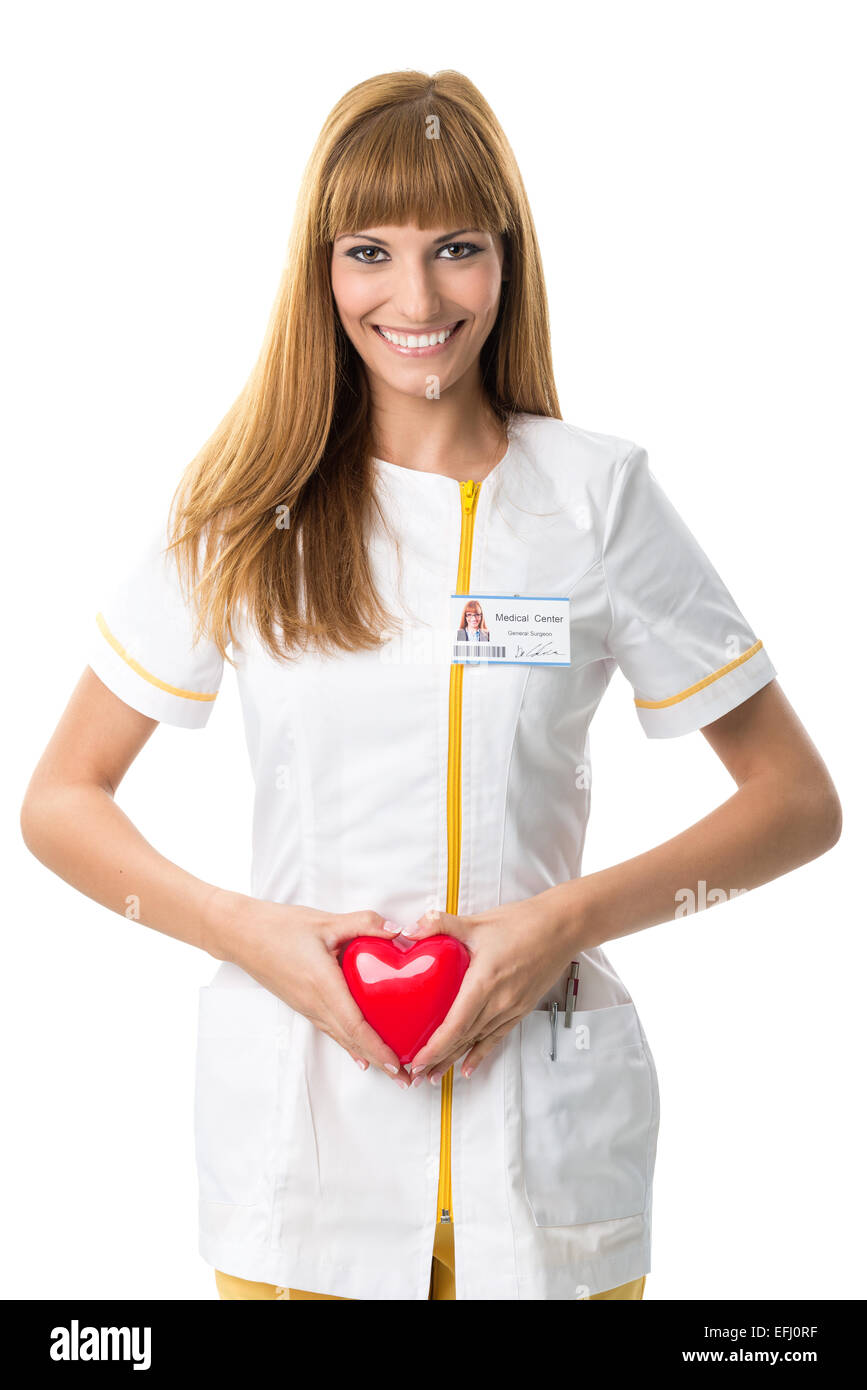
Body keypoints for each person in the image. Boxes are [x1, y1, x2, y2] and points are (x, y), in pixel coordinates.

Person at [20, 68, 842, 1302]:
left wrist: (561, 925)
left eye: (456, 248)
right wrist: (256, 936)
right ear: (321, 269)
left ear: (507, 259)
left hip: (550, 1154)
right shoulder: (247, 509)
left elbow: (797, 801)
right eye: (370, 251)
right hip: (299, 1163)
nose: (415, 298)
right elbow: (61, 800)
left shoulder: (597, 498)